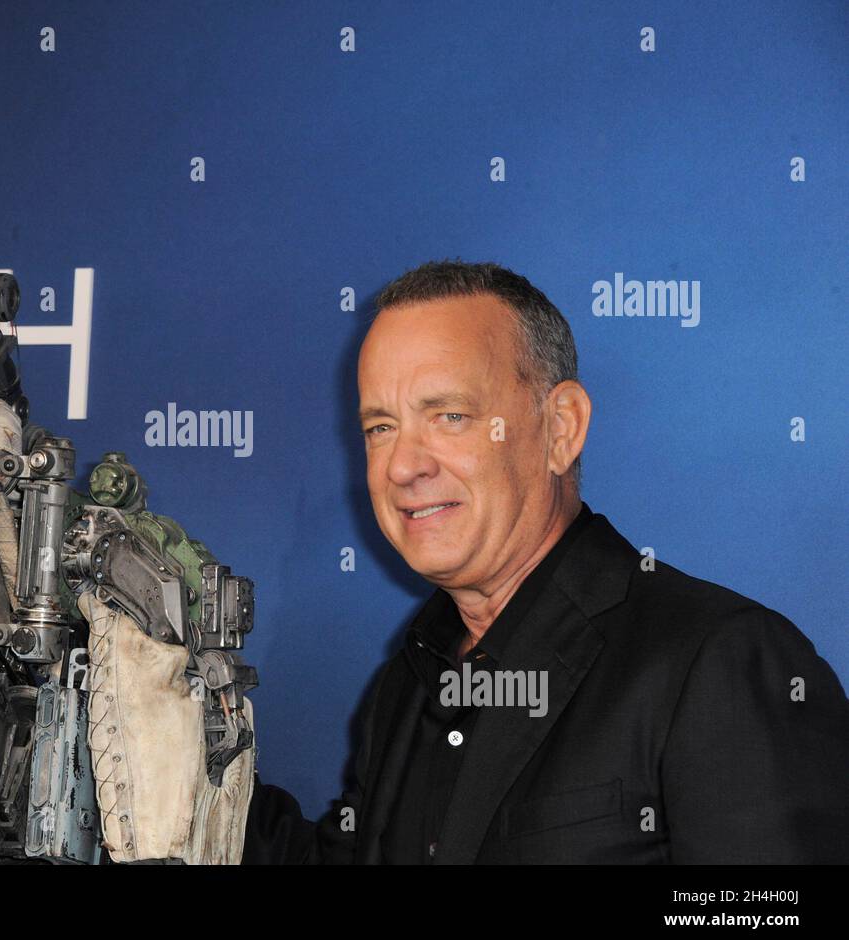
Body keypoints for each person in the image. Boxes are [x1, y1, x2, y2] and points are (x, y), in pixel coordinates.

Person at [242, 260, 849, 864]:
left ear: (561, 429)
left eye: (450, 417)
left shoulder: (718, 661)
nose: (403, 467)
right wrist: (181, 756)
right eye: (380, 427)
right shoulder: (409, 683)